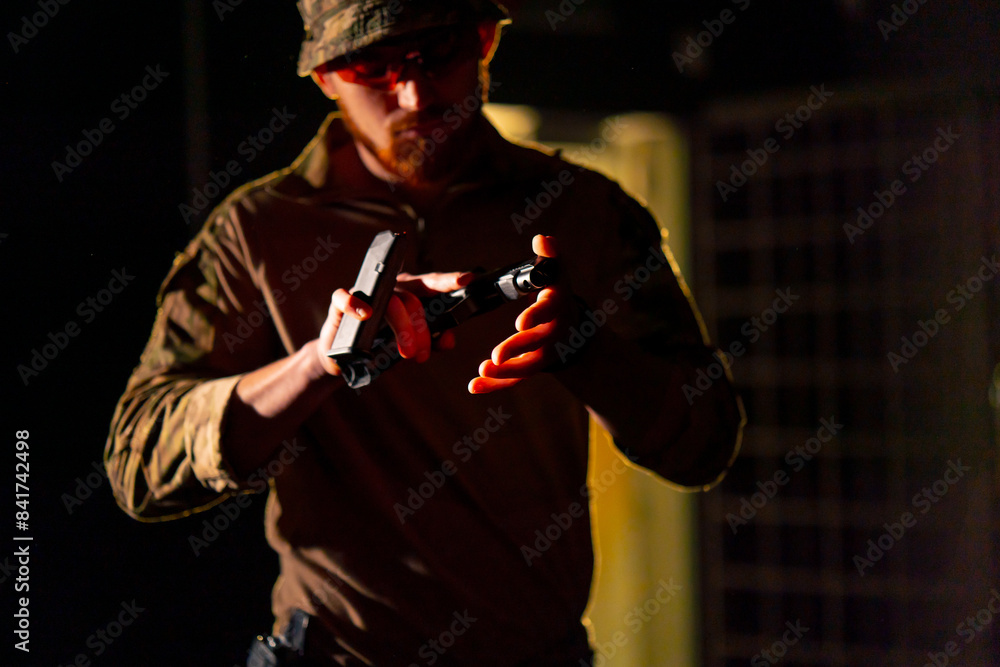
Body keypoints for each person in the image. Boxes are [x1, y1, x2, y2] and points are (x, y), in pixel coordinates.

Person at [104, 0, 744, 664]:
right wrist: (317, 363)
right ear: (325, 76)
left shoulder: (586, 211)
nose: (413, 94)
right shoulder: (256, 233)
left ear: (483, 40)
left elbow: (708, 443)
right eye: (372, 67)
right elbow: (138, 464)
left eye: (434, 55)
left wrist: (589, 354)